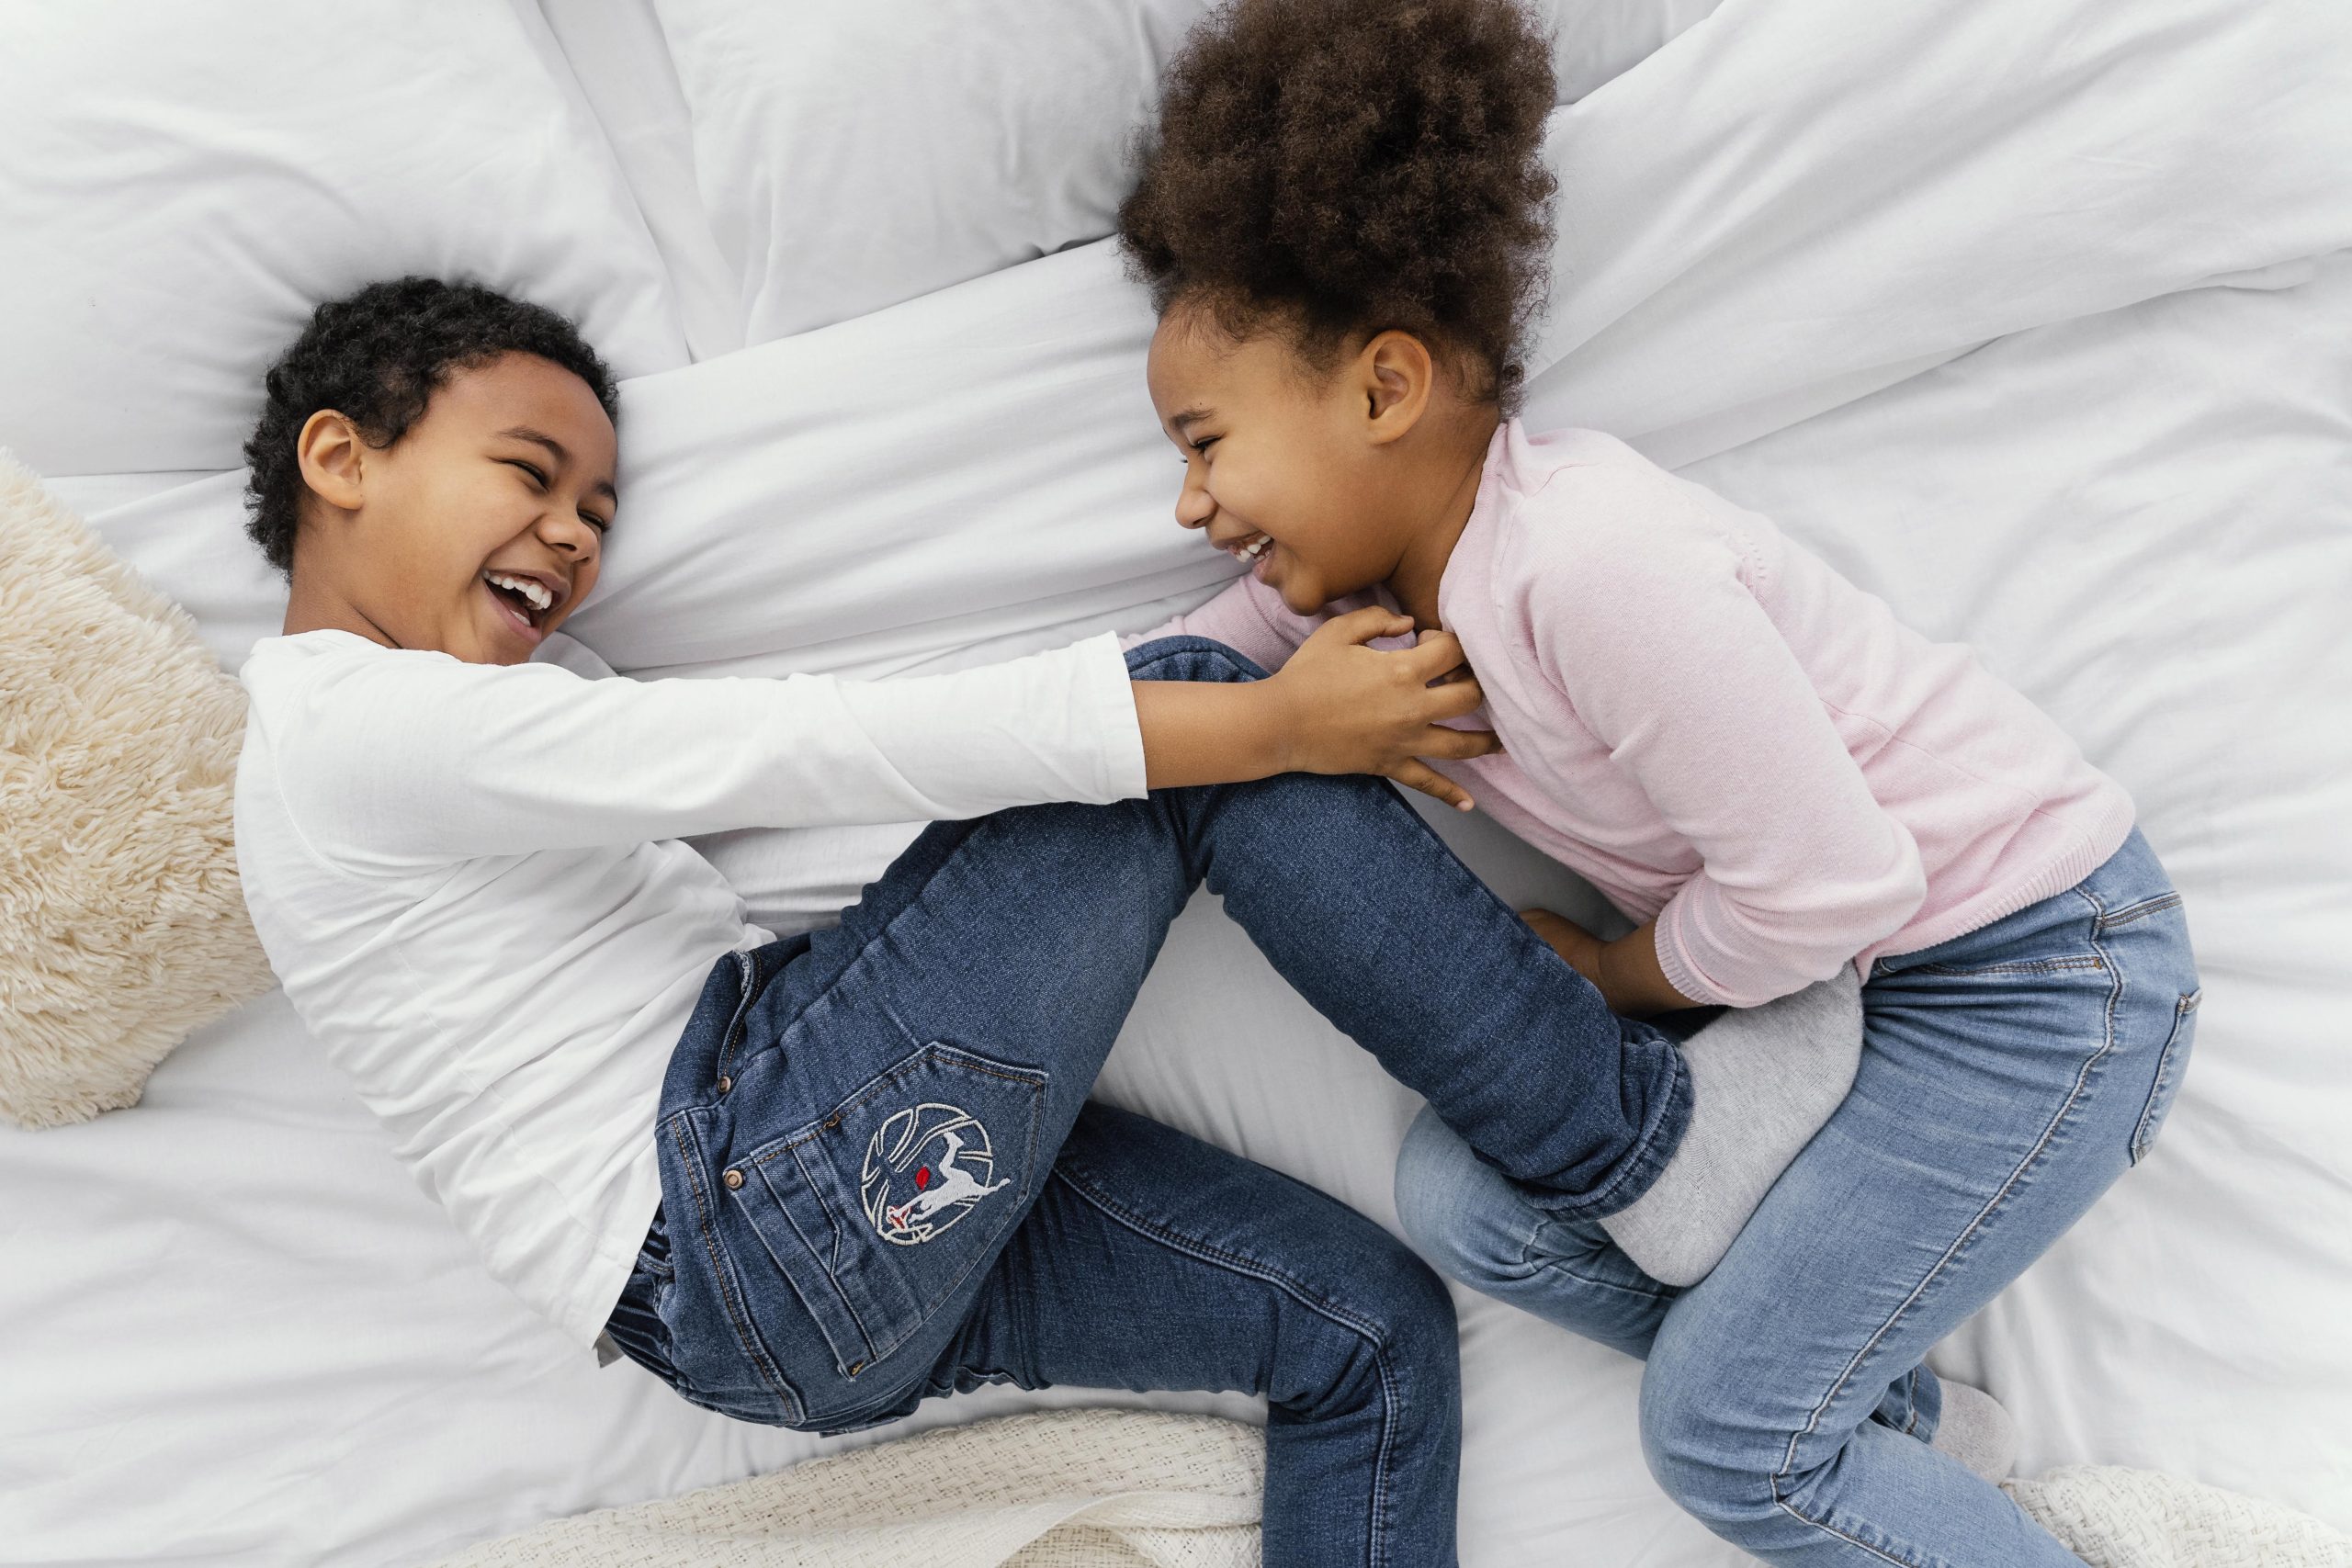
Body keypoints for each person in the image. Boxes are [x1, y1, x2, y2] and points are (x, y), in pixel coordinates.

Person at [232, 277, 1849, 1565]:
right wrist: (1275, 728)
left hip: (780, 1304)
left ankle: (1828, 1390)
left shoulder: (454, 717)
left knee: (1371, 1339)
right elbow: (793, 746)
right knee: (1201, 715)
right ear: (340, 458)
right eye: (531, 476)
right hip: (739, 1203)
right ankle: (1631, 1138)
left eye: (598, 504)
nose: (578, 535)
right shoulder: (350, 730)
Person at [1117, 0, 2202, 1562]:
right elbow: (1170, 685)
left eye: (1207, 442)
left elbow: (1835, 890)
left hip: (2033, 977)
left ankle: (1808, 1429)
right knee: (1463, 1195)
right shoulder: (1341, 612)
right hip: (1832, 994)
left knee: (1722, 1444)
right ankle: (1886, 1432)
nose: (1188, 501)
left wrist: (1621, 978)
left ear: (1384, 388)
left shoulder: (1585, 558)